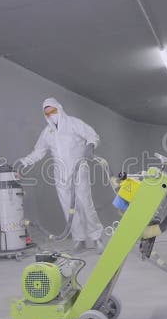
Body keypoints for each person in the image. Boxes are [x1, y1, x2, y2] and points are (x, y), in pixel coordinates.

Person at [16, 98, 105, 253]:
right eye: (47, 113)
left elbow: (92, 135)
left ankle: (96, 237)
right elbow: (39, 151)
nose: (51, 115)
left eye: (53, 111)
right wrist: (24, 162)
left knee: (85, 204)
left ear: (59, 108)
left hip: (78, 169)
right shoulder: (47, 132)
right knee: (68, 208)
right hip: (61, 174)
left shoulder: (73, 123)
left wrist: (90, 145)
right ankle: (79, 239)